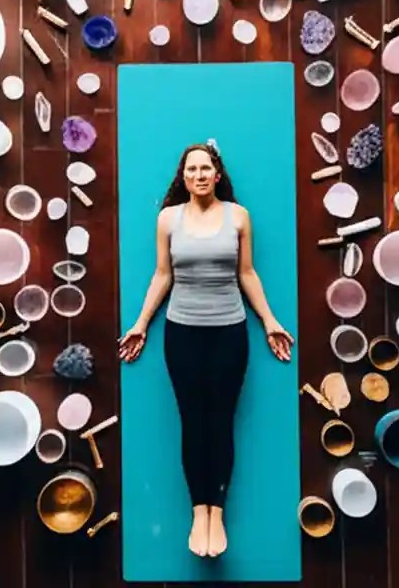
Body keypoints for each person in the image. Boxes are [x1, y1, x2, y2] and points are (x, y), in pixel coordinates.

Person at [118, 141, 294, 559]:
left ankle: (219, 509)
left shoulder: (238, 216)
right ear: (183, 177)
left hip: (230, 332)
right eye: (191, 169)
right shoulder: (167, 219)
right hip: (182, 334)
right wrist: (141, 324)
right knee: (192, 421)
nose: (199, 175)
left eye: (206, 168)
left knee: (221, 421)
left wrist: (269, 320)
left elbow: (246, 273)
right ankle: (200, 511)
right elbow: (163, 275)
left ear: (217, 175)